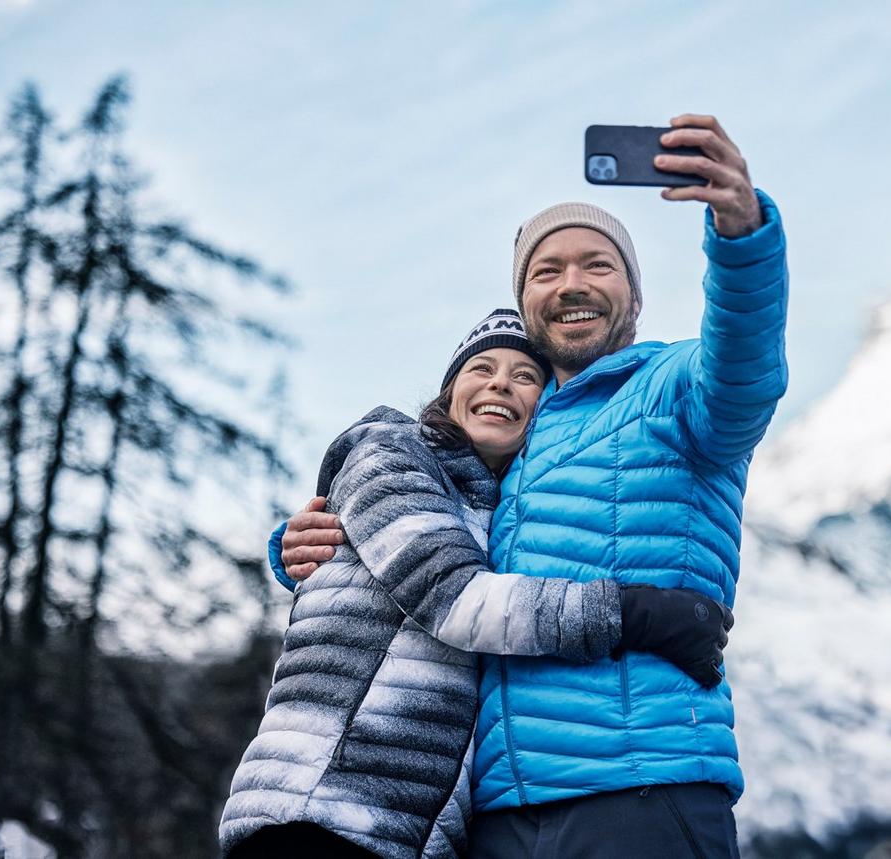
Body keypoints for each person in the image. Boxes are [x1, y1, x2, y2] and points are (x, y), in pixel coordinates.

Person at [279, 114, 787, 858]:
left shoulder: (675, 388)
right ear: (526, 303)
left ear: (635, 299)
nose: (571, 284)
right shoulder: (512, 436)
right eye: (546, 272)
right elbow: (432, 549)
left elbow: (745, 367)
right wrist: (304, 544)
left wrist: (741, 233)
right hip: (493, 816)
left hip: (637, 793)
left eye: (597, 265)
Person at [221, 309, 734, 859]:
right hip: (322, 809)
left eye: (525, 376)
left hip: (409, 832)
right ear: (448, 393)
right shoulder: (393, 451)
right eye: (481, 368)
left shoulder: (498, 515)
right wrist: (639, 614)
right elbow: (456, 600)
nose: (499, 383)